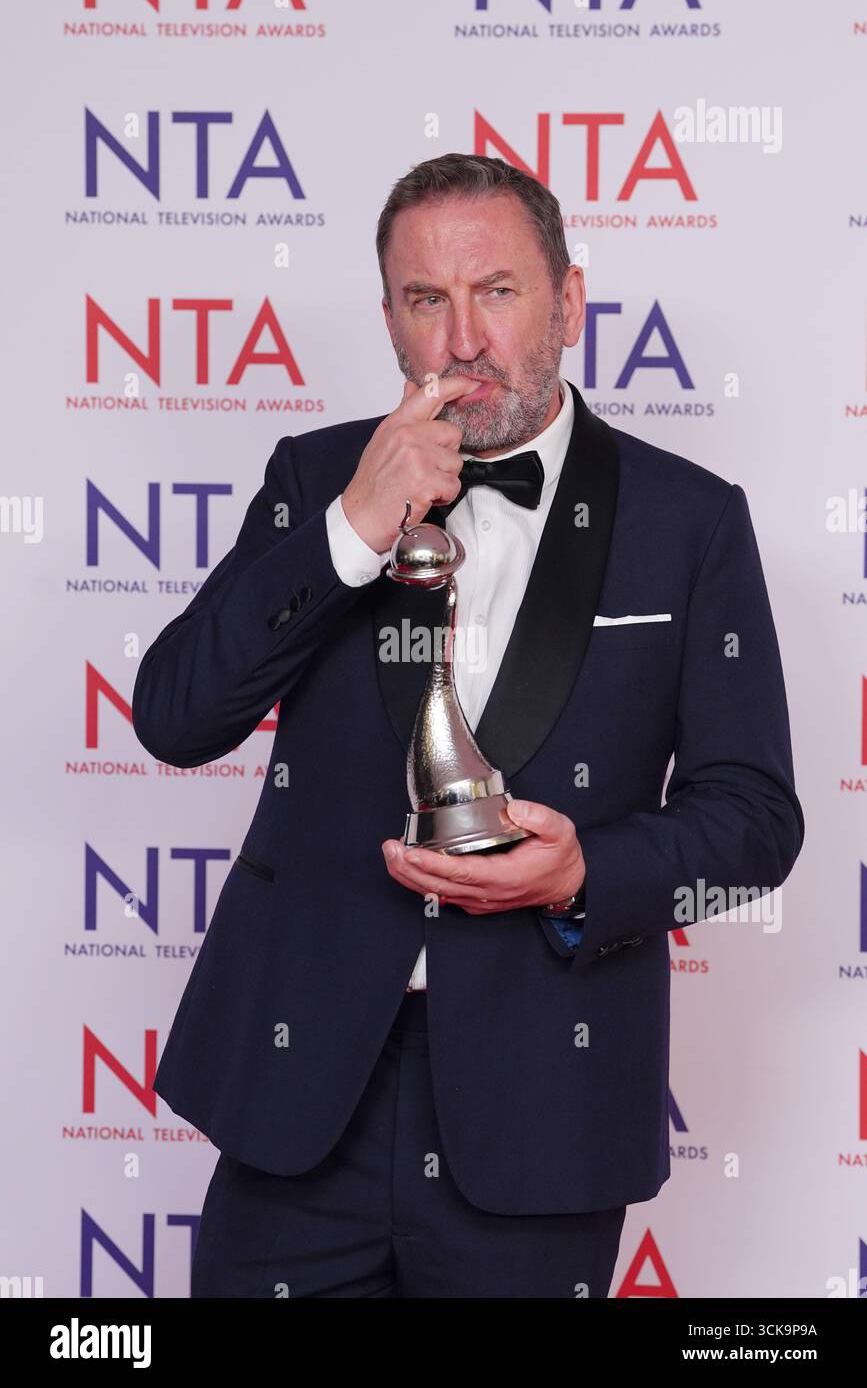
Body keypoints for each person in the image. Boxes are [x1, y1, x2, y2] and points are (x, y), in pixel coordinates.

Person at [132, 152, 804, 1299]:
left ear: (570, 300)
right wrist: (351, 526)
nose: (463, 339)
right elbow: (176, 716)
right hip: (301, 1102)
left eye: (497, 291)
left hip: (545, 1111)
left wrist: (587, 869)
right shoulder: (314, 480)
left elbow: (755, 819)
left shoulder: (691, 521)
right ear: (390, 318)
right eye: (425, 301)